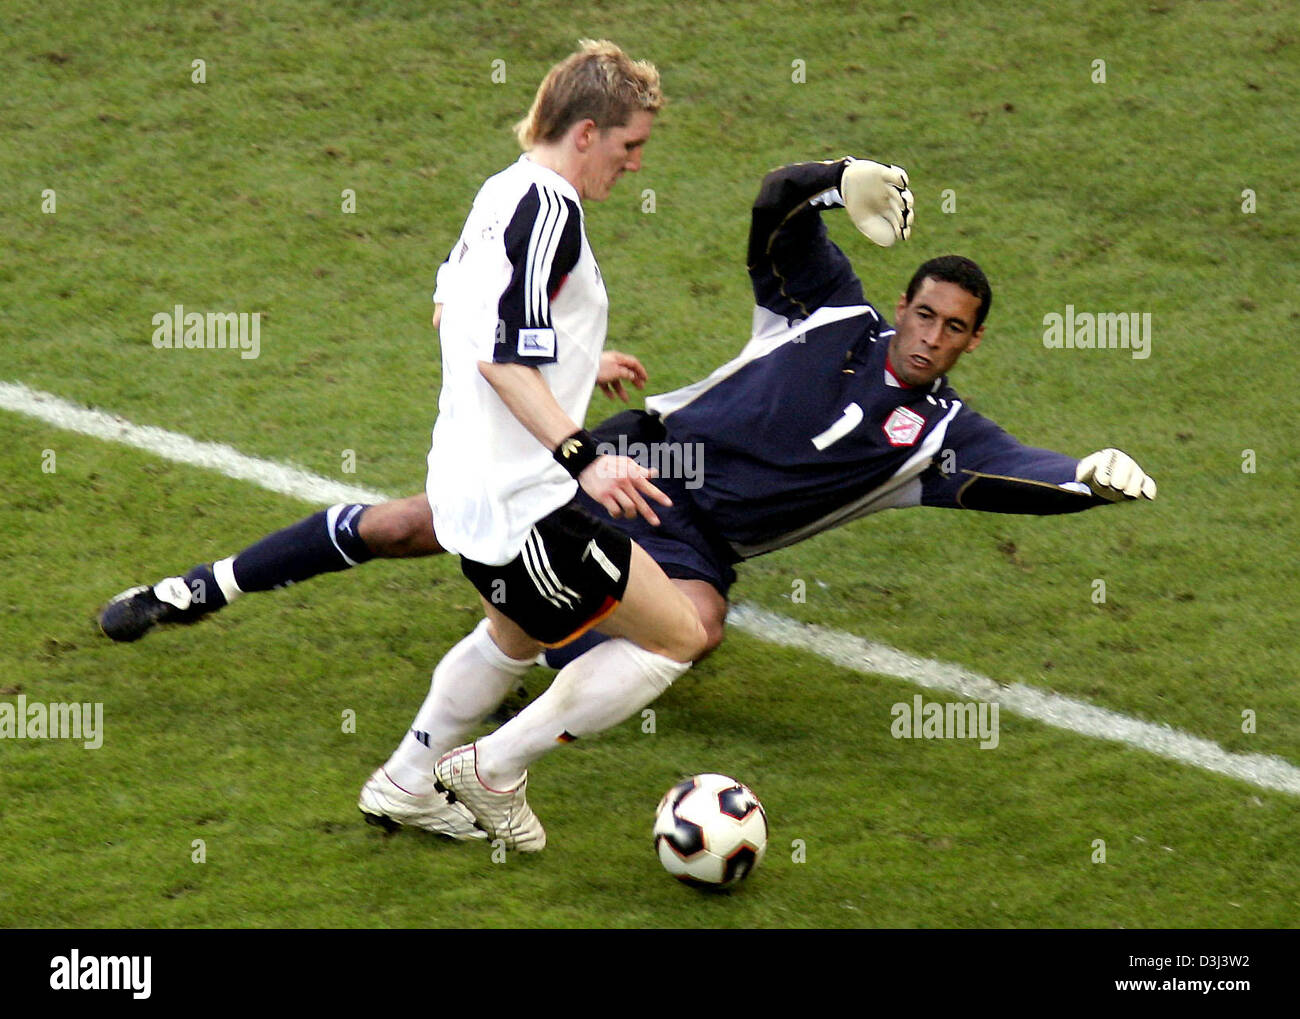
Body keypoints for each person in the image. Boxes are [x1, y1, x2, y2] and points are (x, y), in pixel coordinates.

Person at [100, 155, 1155, 847]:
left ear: (973, 339)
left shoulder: (936, 440)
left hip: (697, 540)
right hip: (622, 461)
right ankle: (204, 586)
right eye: (922, 311)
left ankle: (440, 772)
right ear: (903, 306)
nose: (928, 333)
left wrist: (1085, 482)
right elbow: (772, 210)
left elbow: (1024, 475)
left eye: (952, 325)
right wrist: (838, 178)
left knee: (678, 625)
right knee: (417, 521)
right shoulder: (825, 308)